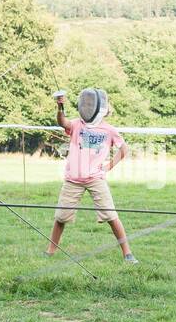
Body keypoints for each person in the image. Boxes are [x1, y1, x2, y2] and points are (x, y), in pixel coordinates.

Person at [46, 88, 136, 263]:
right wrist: (60, 107)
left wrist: (108, 166)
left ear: (99, 108)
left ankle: (127, 253)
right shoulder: (77, 124)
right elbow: (62, 122)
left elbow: (124, 149)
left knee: (111, 215)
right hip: (73, 179)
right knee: (61, 217)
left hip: (96, 179)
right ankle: (50, 250)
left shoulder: (109, 130)